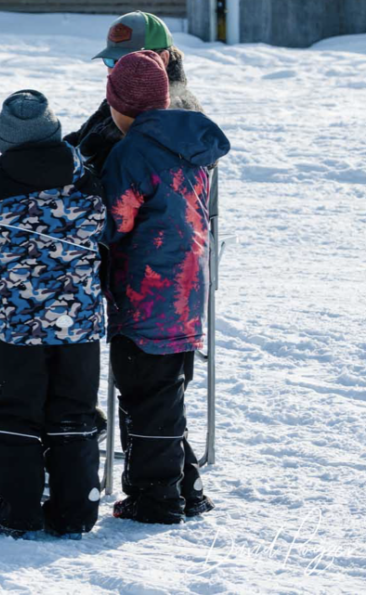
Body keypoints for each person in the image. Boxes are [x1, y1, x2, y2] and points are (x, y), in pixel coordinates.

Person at [0, 91, 107, 539]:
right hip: (79, 321)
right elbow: (106, 227)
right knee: (73, 410)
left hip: (17, 322)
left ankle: (18, 509)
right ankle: (75, 511)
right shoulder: (86, 178)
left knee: (13, 410)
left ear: (5, 140)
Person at [101, 52, 230, 524]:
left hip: (147, 292)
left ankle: (156, 500)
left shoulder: (131, 151)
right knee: (166, 393)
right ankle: (186, 486)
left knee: (145, 397)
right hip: (188, 289)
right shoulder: (187, 140)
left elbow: (116, 221)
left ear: (121, 105)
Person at [65, 11, 202, 174]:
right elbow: (81, 139)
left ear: (163, 59)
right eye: (111, 61)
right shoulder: (125, 95)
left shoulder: (178, 116)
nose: (115, 70)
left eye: (127, 61)